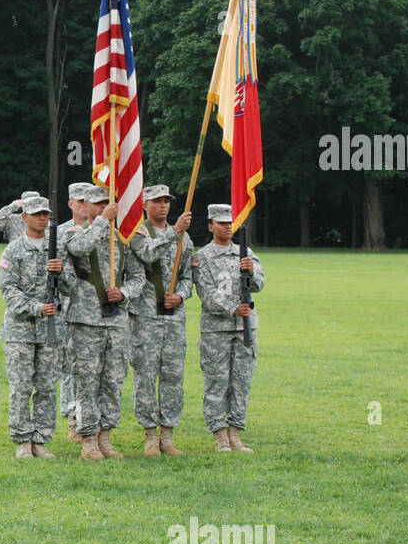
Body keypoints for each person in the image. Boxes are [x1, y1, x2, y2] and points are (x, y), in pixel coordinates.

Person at [62, 187, 147, 460]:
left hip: (117, 319)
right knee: (87, 380)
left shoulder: (123, 239)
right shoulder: (75, 233)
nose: (102, 208)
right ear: (85, 206)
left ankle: (105, 436)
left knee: (113, 379)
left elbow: (138, 277)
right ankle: (87, 438)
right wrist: (101, 222)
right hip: (86, 318)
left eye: (106, 205)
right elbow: (78, 249)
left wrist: (124, 292)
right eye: (97, 204)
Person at [125, 184, 194, 456]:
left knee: (173, 376)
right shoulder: (138, 233)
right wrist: (175, 232)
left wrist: (180, 295)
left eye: (166, 201)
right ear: (145, 204)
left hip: (174, 318)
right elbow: (148, 253)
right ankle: (150, 435)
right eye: (157, 201)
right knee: (145, 375)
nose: (163, 206)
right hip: (145, 317)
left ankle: (168, 434)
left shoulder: (185, 239)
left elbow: (188, 276)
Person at [192, 204, 265, 453]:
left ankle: (235, 433)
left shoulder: (245, 254)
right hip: (216, 330)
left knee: (242, 381)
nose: (227, 226)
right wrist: (233, 308)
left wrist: (252, 272)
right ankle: (220, 435)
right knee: (217, 382)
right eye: (221, 222)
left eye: (230, 222)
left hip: (246, 328)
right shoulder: (202, 257)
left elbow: (259, 285)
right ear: (211, 225)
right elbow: (206, 293)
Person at [0, 195, 61, 458]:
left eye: (46, 214)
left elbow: (69, 288)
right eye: (37, 214)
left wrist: (62, 272)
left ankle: (41, 439)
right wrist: (36, 308)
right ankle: (22, 439)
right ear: (24, 218)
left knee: (47, 386)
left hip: (49, 330)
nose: (42, 218)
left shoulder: (56, 250)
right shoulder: (14, 250)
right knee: (22, 386)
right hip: (20, 329)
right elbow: (8, 289)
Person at [57, 183, 93, 441]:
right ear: (71, 204)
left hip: (97, 312)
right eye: (79, 201)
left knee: (94, 369)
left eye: (88, 201)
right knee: (70, 367)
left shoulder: (106, 233)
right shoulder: (59, 234)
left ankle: (92, 421)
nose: (84, 205)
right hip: (68, 310)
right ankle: (72, 419)